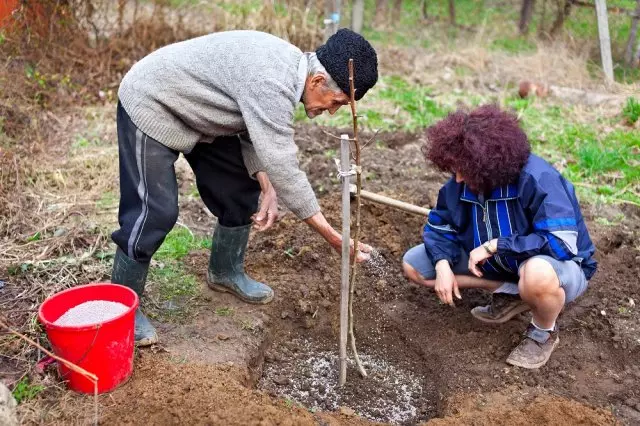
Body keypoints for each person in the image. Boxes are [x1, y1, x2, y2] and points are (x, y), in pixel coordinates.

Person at [111, 29, 378, 346]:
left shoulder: (291, 75)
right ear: (318, 81)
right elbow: (283, 165)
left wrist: (266, 185)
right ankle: (121, 310)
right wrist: (334, 237)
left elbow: (253, 130)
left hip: (203, 111)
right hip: (154, 102)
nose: (331, 112)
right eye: (335, 102)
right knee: (154, 212)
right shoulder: (273, 79)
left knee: (239, 191)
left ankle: (224, 272)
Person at [402, 105, 597, 369]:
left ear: (486, 164)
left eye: (463, 169)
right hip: (505, 268)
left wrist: (497, 245)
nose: (457, 177)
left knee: (537, 274)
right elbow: (440, 226)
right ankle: (512, 294)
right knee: (416, 265)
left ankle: (542, 333)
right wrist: (442, 264)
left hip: (560, 269)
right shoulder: (458, 185)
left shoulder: (538, 179)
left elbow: (560, 244)